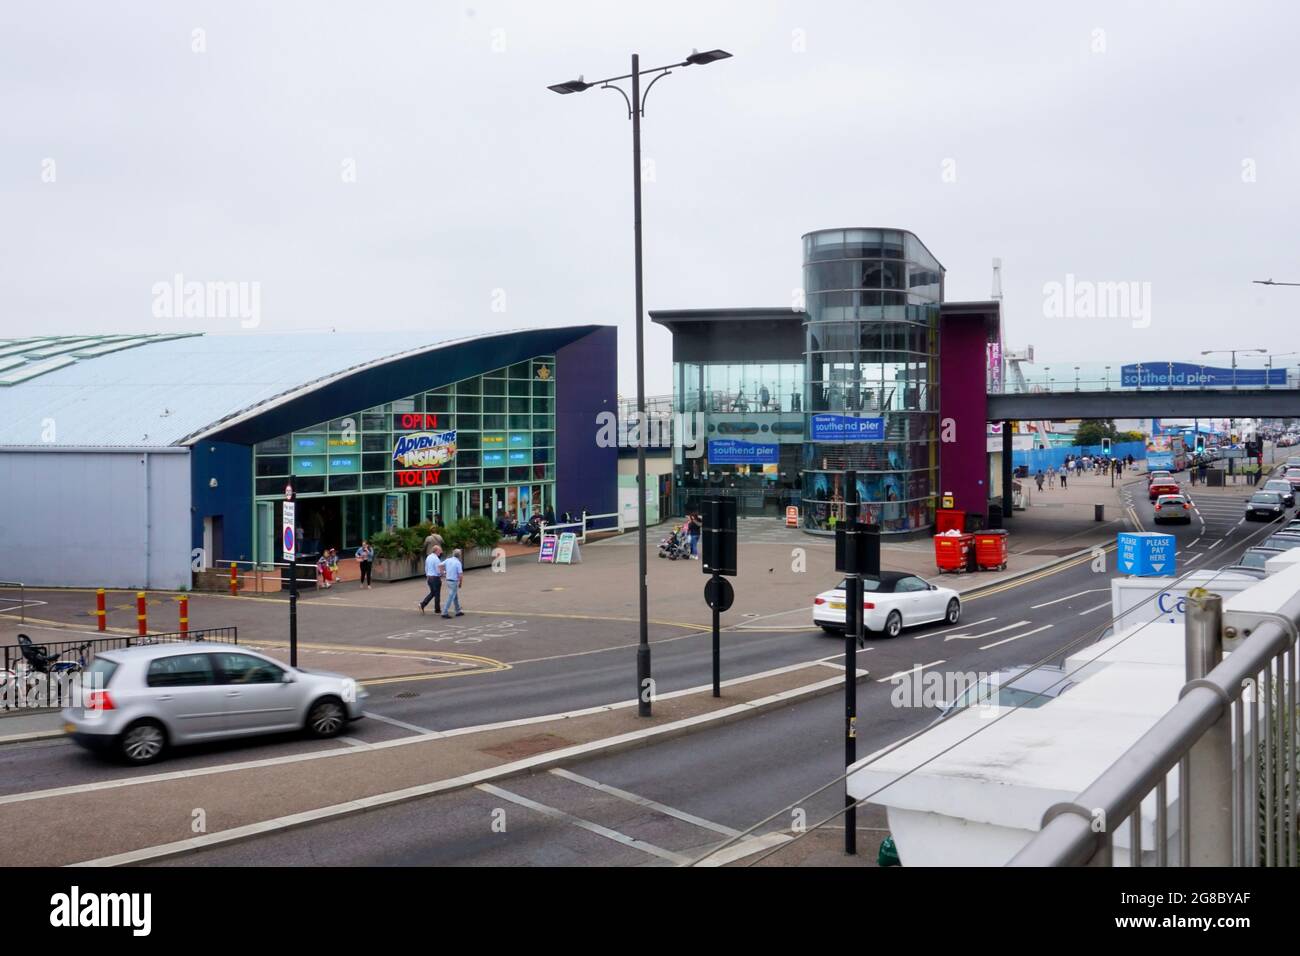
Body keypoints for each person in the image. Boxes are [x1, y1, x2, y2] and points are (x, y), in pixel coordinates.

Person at [419, 545, 443, 614]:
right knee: (437, 594)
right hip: (435, 578)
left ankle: (423, 604)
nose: (441, 552)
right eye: (440, 550)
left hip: (429, 577)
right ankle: (436, 609)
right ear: (436, 551)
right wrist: (443, 573)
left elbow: (426, 568)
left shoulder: (428, 557)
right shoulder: (436, 559)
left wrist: (427, 576)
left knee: (433, 593)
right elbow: (438, 571)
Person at [441, 548, 464, 618]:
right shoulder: (458, 563)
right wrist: (460, 583)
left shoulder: (448, 560)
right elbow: (460, 574)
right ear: (459, 555)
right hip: (454, 581)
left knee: (454, 595)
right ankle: (444, 612)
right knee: (451, 596)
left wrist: (443, 573)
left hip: (448, 580)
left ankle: (458, 610)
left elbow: (439, 565)